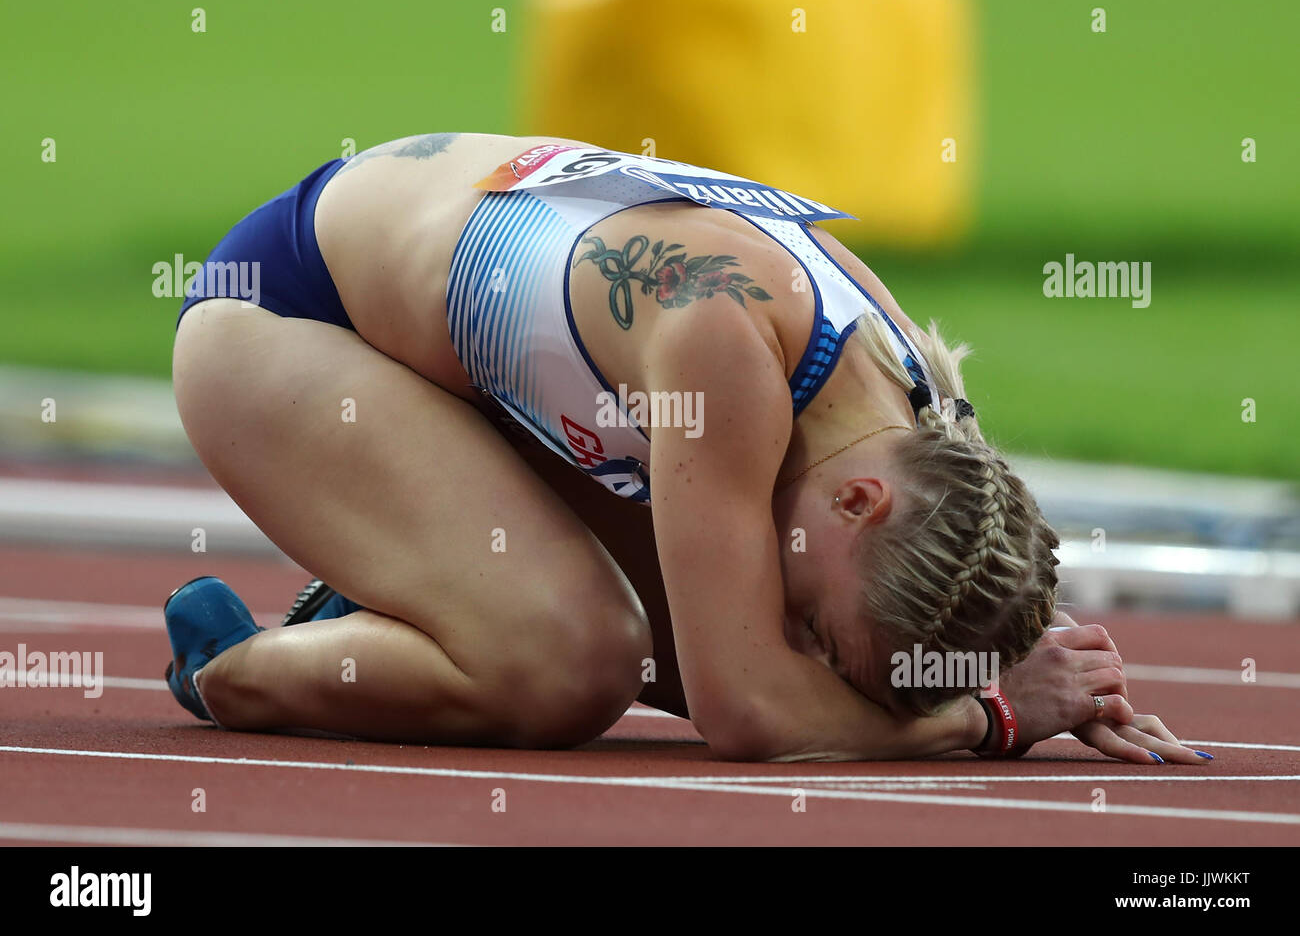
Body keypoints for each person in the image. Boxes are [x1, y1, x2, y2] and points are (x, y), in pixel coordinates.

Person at [165, 133, 1211, 764]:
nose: (809, 633)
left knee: (741, 633)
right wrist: (985, 717)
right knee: (575, 664)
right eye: (824, 618)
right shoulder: (725, 343)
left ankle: (420, 594)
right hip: (284, 318)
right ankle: (233, 669)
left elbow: (981, 550)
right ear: (856, 503)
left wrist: (1016, 647)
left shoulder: (926, 422)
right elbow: (748, 710)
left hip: (452, 373)